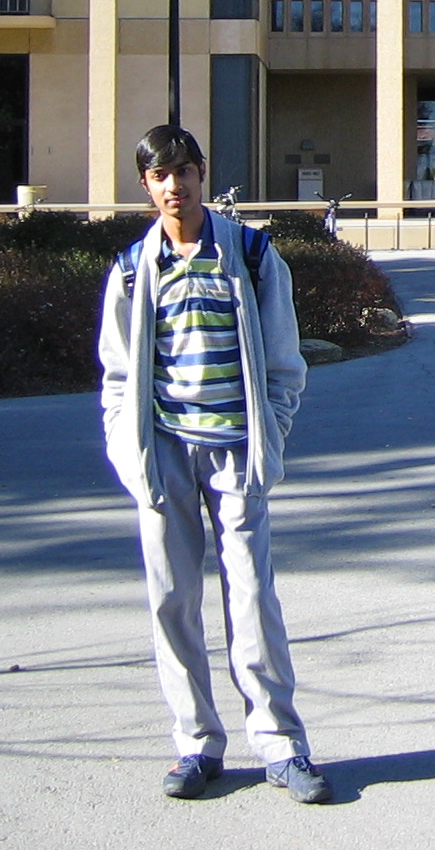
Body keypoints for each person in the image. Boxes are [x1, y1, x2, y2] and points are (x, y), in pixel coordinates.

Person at [96, 123, 330, 804]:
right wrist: (128, 455)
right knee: (173, 601)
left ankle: (281, 743)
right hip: (164, 450)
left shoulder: (253, 255)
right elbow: (116, 377)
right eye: (160, 176)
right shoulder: (134, 269)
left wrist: (271, 441)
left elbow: (286, 362)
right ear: (145, 186)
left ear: (203, 174)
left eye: (185, 171)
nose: (175, 186)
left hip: (236, 452)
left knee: (252, 596)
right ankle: (196, 744)